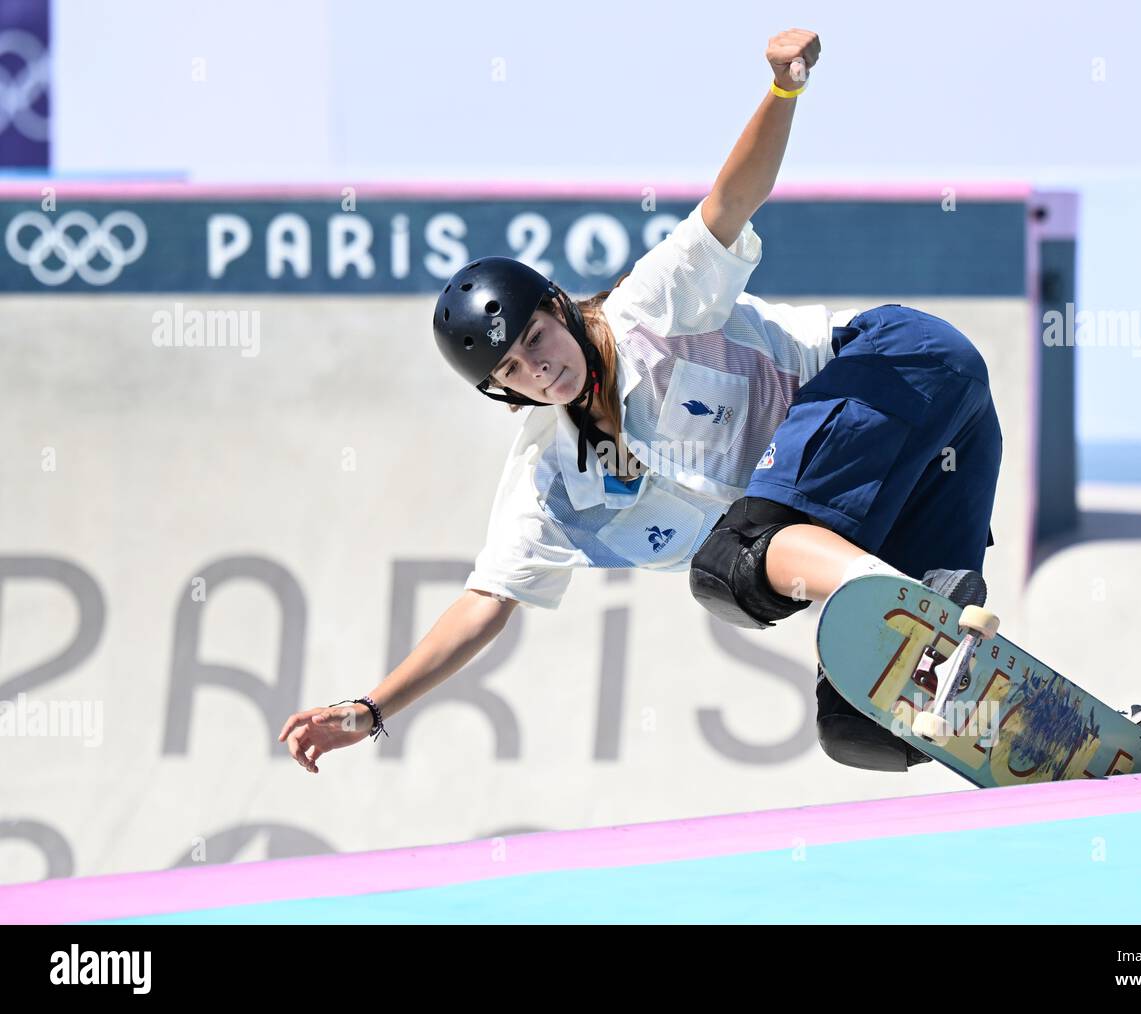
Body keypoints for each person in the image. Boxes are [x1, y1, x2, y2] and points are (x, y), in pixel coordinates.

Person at [279, 27, 1001, 776]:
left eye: (537, 336)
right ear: (501, 391)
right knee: (867, 722)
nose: (540, 366)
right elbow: (486, 601)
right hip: (925, 467)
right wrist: (371, 709)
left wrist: (784, 90)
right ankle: (1044, 734)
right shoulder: (552, 476)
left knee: (729, 563)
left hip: (898, 368)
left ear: (558, 308)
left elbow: (732, 199)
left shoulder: (650, 309)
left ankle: (911, 603)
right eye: (517, 368)